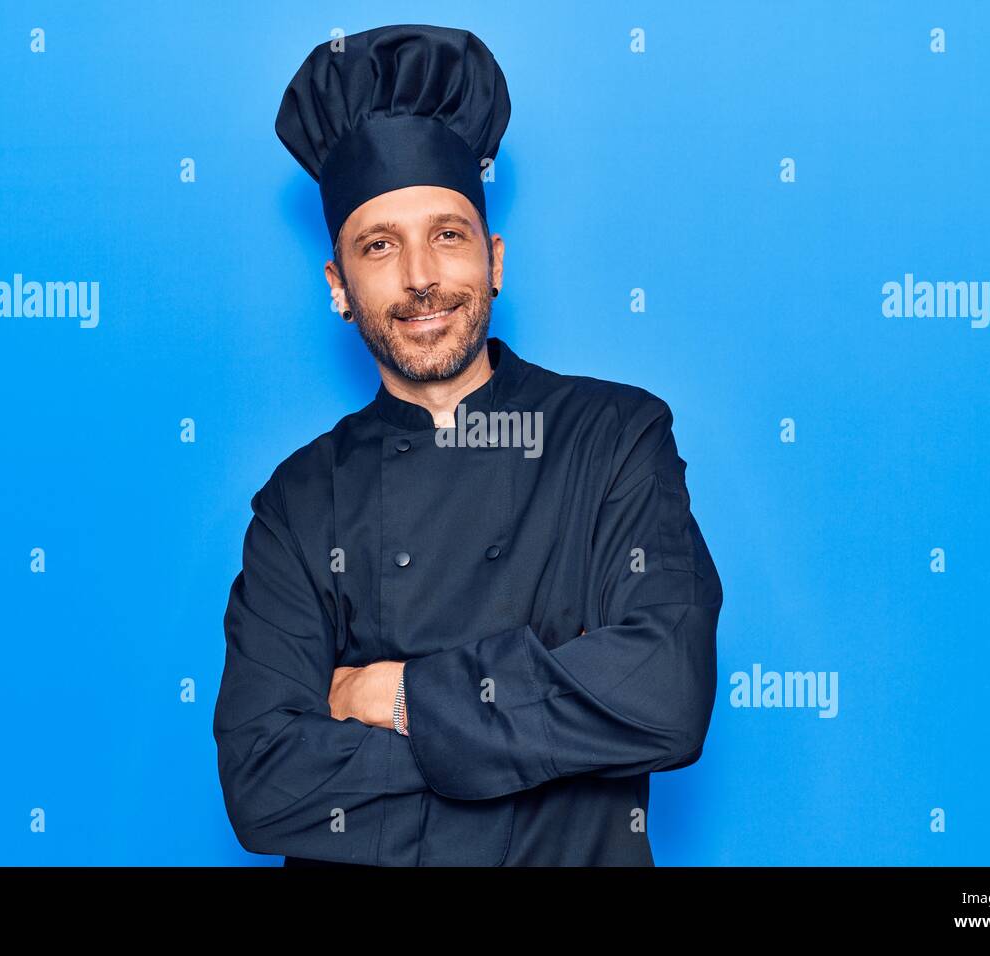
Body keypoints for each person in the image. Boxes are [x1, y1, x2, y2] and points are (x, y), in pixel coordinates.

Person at [212, 23, 723, 867]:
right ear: (339, 286)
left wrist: (395, 693)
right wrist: (538, 747)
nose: (420, 277)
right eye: (379, 245)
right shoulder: (299, 501)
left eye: (447, 234)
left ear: (493, 259)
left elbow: (665, 694)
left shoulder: (615, 438)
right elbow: (265, 791)